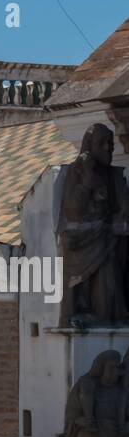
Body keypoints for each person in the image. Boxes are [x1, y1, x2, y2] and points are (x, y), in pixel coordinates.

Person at [58, 123, 129, 325]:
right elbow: (72, 207)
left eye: (110, 144)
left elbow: (122, 205)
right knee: (85, 283)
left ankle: (109, 316)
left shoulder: (115, 175)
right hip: (82, 239)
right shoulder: (78, 171)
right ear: (90, 146)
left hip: (107, 236)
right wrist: (87, 182)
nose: (108, 148)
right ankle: (83, 311)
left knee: (109, 277)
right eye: (102, 143)